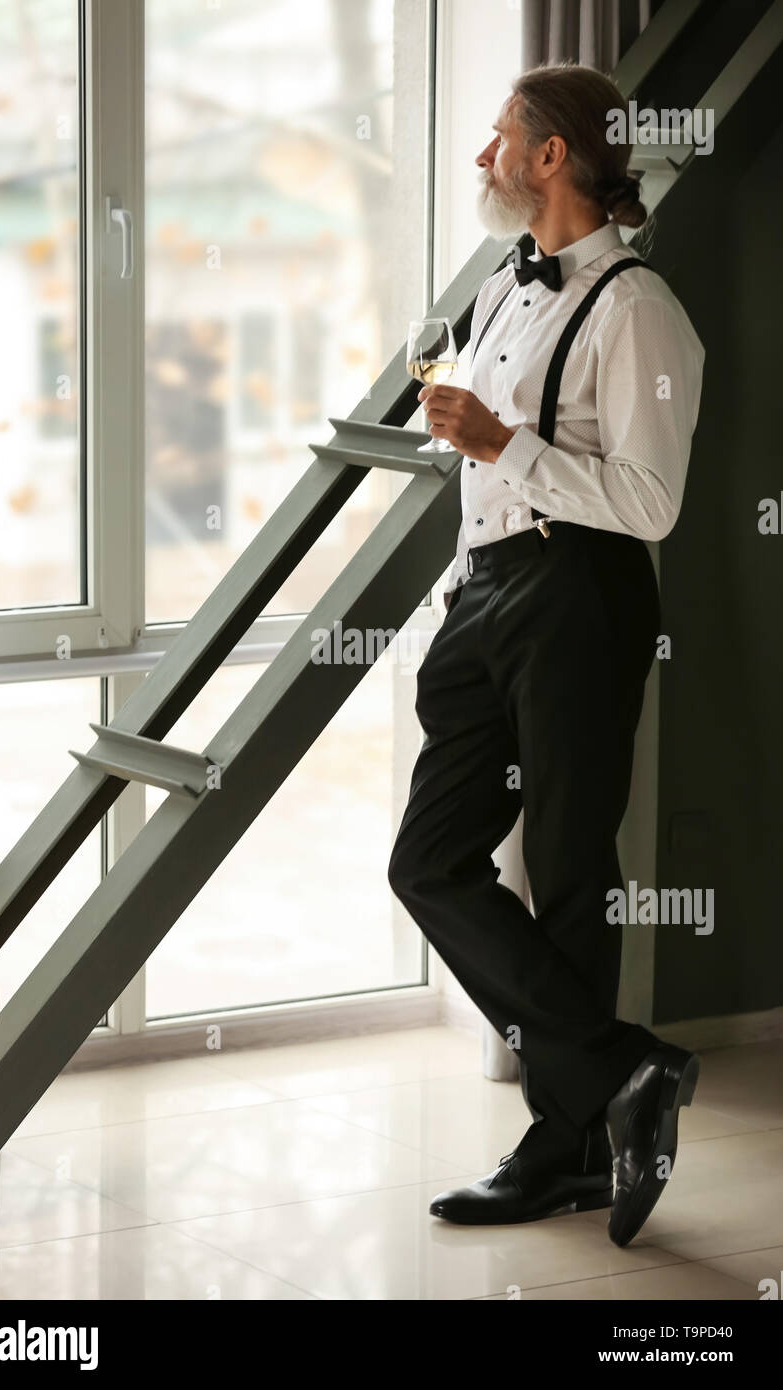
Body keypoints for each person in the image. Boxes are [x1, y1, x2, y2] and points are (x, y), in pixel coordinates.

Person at [387, 62, 705, 1247]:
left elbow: (650, 501)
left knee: (567, 870)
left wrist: (502, 443)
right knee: (428, 860)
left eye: (497, 135)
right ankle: (621, 1072)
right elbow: (494, 452)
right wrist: (476, 451)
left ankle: (562, 1145)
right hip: (488, 595)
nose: (483, 155)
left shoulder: (638, 310)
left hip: (578, 595)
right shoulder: (505, 291)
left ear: (550, 155)